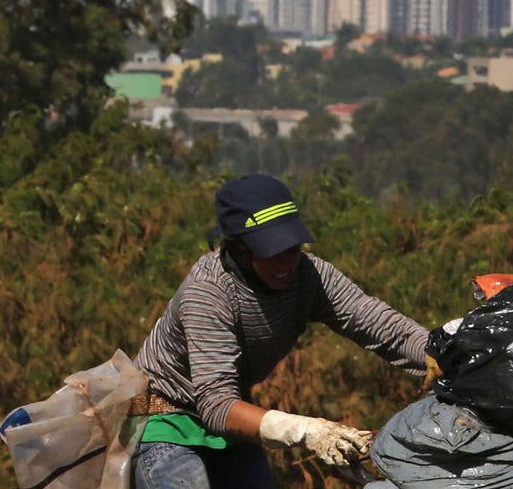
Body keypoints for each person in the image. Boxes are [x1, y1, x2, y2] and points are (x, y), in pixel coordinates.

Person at [131, 174, 430, 488]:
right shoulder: (209, 292)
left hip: (232, 421)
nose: (286, 261)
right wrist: (305, 430)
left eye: (292, 247)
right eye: (271, 252)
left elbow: (382, 326)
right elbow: (216, 405)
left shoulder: (308, 275)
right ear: (242, 249)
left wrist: (444, 353)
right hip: (168, 419)